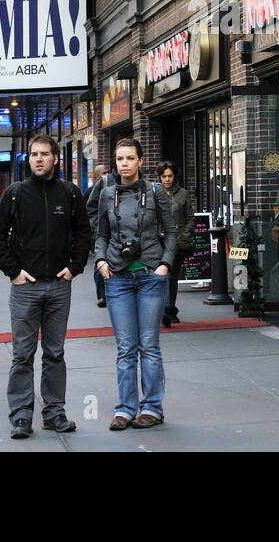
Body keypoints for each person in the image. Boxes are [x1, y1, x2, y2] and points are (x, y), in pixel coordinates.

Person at [0, 134, 90, 438]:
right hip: (25, 287)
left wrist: (74, 268)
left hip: (60, 286)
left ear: (55, 159)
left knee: (55, 352)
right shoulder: (15, 194)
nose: (38, 159)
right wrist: (14, 272)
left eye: (44, 154)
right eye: (34, 154)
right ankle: (21, 415)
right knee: (22, 353)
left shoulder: (70, 193)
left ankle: (55, 412)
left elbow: (84, 233)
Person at [94, 139, 175, 431]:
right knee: (126, 347)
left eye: (129, 158)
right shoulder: (107, 194)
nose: (124, 163)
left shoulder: (155, 192)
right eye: (119, 158)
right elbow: (101, 235)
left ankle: (152, 407)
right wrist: (101, 261)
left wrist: (164, 265)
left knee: (149, 345)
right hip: (117, 277)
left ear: (140, 161)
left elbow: (171, 232)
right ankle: (125, 409)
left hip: (151, 276)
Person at [157, 161, 192, 328]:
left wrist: (184, 234)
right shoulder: (155, 193)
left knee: (173, 276)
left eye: (170, 176)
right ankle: (162, 309)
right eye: (164, 176)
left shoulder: (183, 194)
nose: (167, 179)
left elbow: (190, 218)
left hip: (178, 242)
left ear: (174, 177)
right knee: (163, 275)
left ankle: (170, 309)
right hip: (160, 241)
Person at [84, 164, 110, 306]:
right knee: (99, 263)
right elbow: (88, 212)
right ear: (97, 176)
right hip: (98, 233)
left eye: (107, 171)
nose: (106, 174)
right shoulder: (91, 191)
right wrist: (94, 228)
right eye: (103, 172)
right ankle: (102, 295)